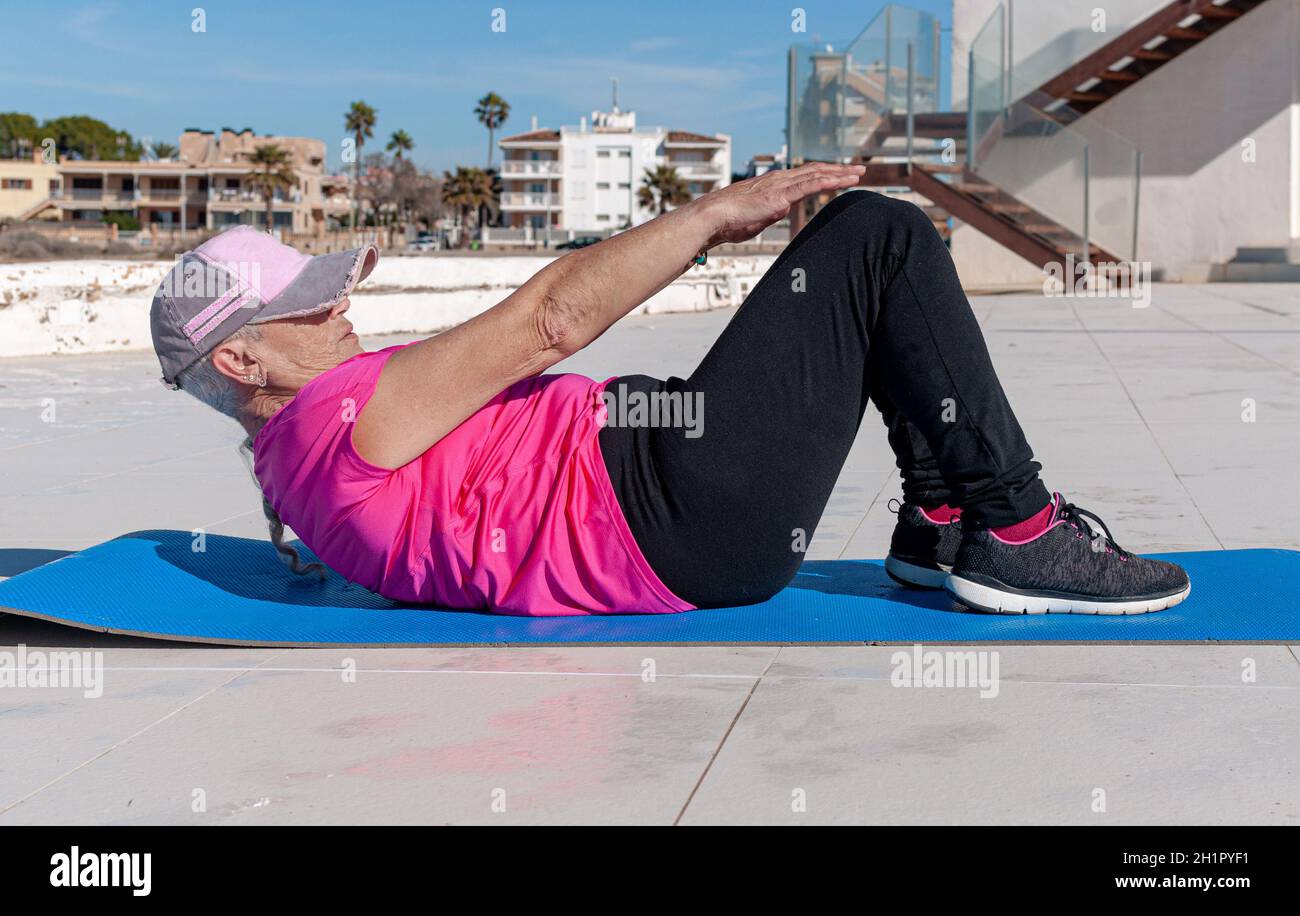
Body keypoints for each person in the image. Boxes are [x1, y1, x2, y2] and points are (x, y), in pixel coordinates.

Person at [149, 163, 1189, 617]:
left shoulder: (298, 465)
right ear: (239, 361)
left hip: (663, 479)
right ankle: (1010, 525)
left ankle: (938, 523)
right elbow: (546, 323)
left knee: (838, 288)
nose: (338, 309)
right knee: (877, 235)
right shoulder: (343, 423)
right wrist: (705, 221)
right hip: (678, 512)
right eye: (308, 306)